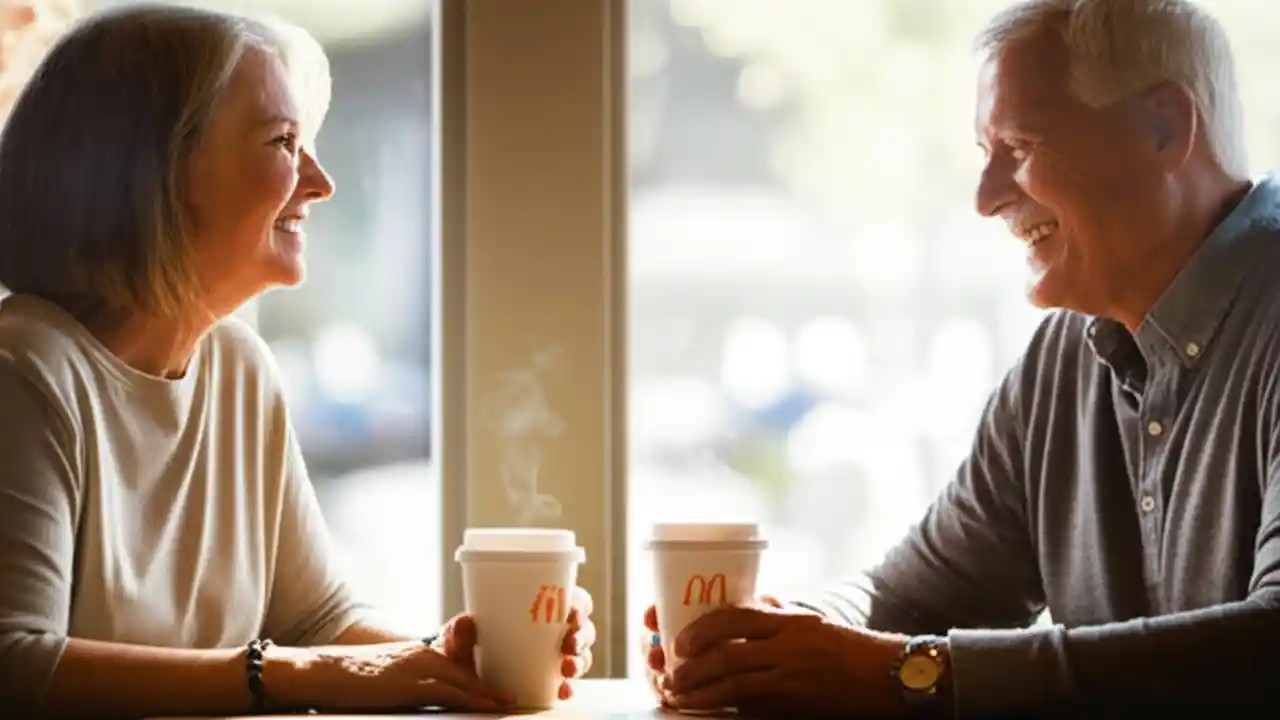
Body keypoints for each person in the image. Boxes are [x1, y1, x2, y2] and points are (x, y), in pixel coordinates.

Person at [644, 0, 1279, 716]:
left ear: (1164, 129)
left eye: (1020, 146)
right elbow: (915, 594)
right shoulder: (1066, 356)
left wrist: (912, 673)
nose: (985, 199)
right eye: (986, 155)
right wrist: (766, 643)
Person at [0, 5, 594, 718]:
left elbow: (318, 623)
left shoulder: (239, 368)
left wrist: (463, 662)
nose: (319, 181)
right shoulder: (26, 368)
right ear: (157, 168)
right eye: (284, 142)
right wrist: (287, 672)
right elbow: (16, 664)